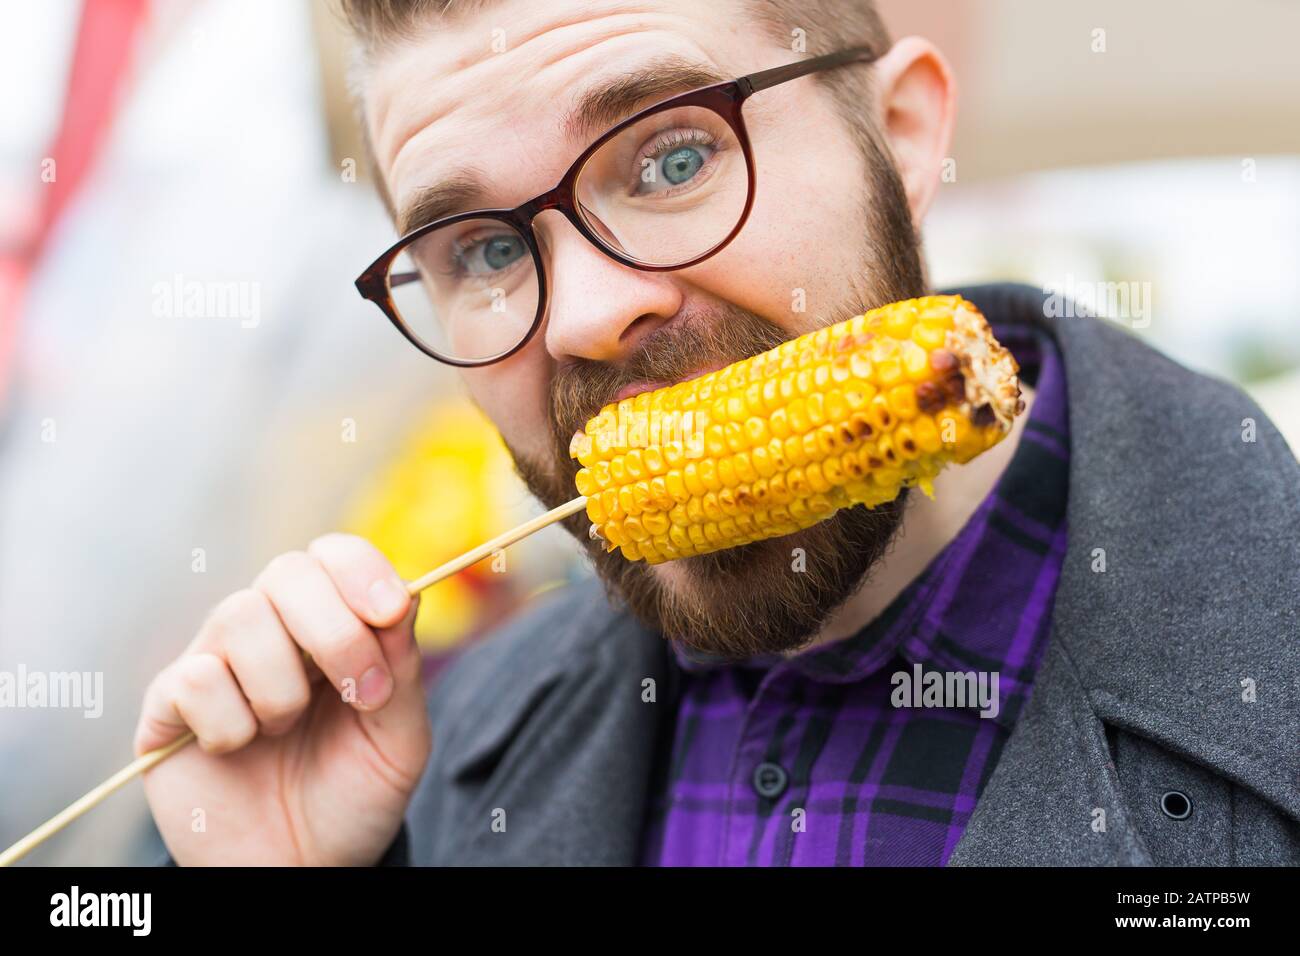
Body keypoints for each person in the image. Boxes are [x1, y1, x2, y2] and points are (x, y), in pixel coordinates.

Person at [136, 0, 1300, 866]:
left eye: (670, 159)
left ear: (898, 138)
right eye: (485, 251)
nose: (589, 316)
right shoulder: (433, 770)